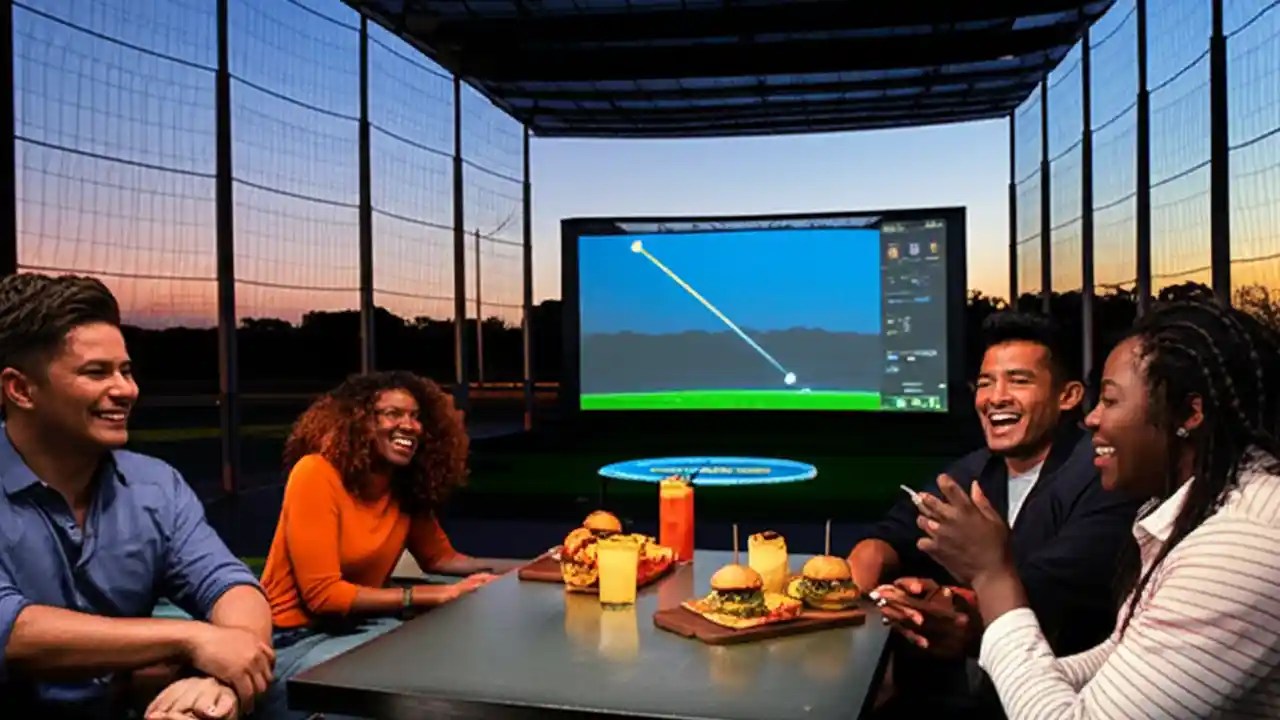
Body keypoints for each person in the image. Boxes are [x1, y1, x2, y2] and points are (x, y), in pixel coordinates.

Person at [917, 298, 1280, 718]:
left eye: (1110, 401)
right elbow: (1121, 657)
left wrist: (990, 575)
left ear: (1189, 413)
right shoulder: (1201, 507)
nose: (1092, 419)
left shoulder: (1239, 544)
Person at [0, 273, 274, 720]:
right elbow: (12, 630)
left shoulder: (156, 485)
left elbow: (231, 585)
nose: (126, 390)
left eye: (125, 370)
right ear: (20, 389)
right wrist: (191, 639)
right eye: (97, 372)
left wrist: (216, 678)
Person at [849, 311, 1143, 716]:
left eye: (1019, 381)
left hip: (1056, 693)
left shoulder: (1102, 471)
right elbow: (904, 522)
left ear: (1069, 397)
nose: (995, 398)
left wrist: (959, 604)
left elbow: (1060, 583)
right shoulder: (977, 469)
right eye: (986, 383)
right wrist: (874, 551)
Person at [257, 371, 521, 718]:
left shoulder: (404, 486)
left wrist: (538, 565)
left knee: (452, 657)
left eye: (415, 417)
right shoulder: (315, 473)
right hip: (293, 638)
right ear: (358, 421)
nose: (409, 426)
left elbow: (444, 560)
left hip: (362, 625)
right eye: (392, 414)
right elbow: (323, 595)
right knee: (403, 678)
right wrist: (438, 596)